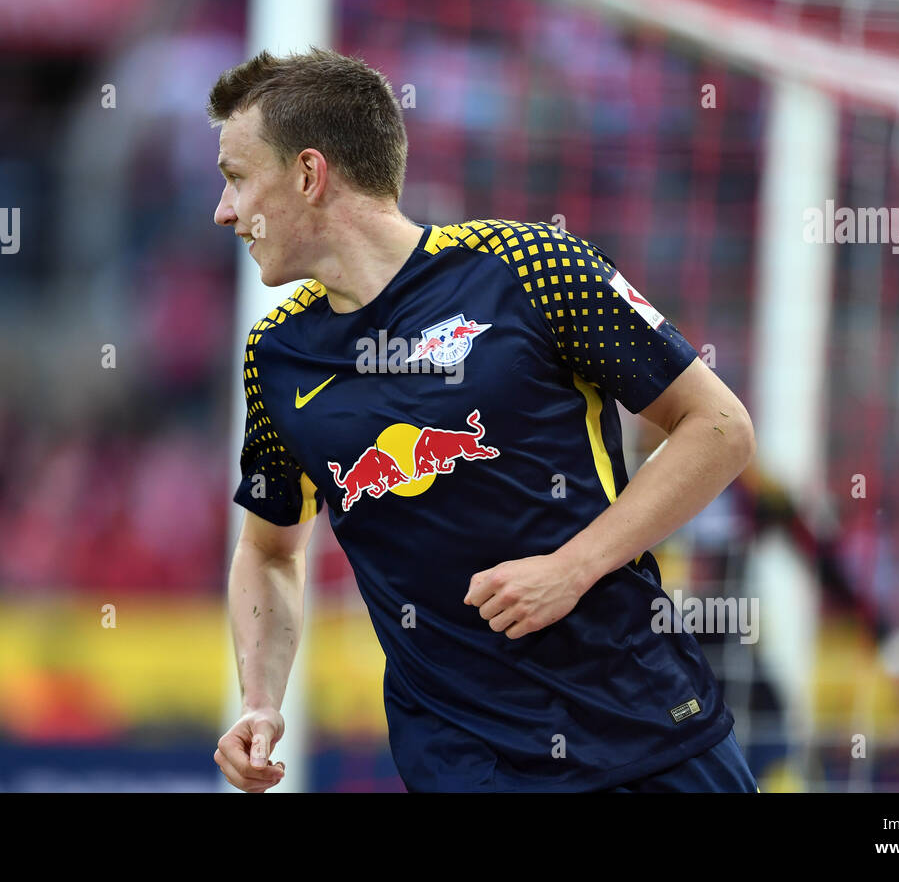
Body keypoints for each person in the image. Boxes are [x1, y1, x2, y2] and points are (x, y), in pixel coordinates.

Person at [209, 47, 758, 792]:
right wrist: (261, 701)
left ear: (309, 175)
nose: (225, 211)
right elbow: (270, 551)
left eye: (237, 179)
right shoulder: (274, 356)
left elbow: (719, 428)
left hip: (641, 724)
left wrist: (574, 568)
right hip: (463, 761)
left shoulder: (532, 268)